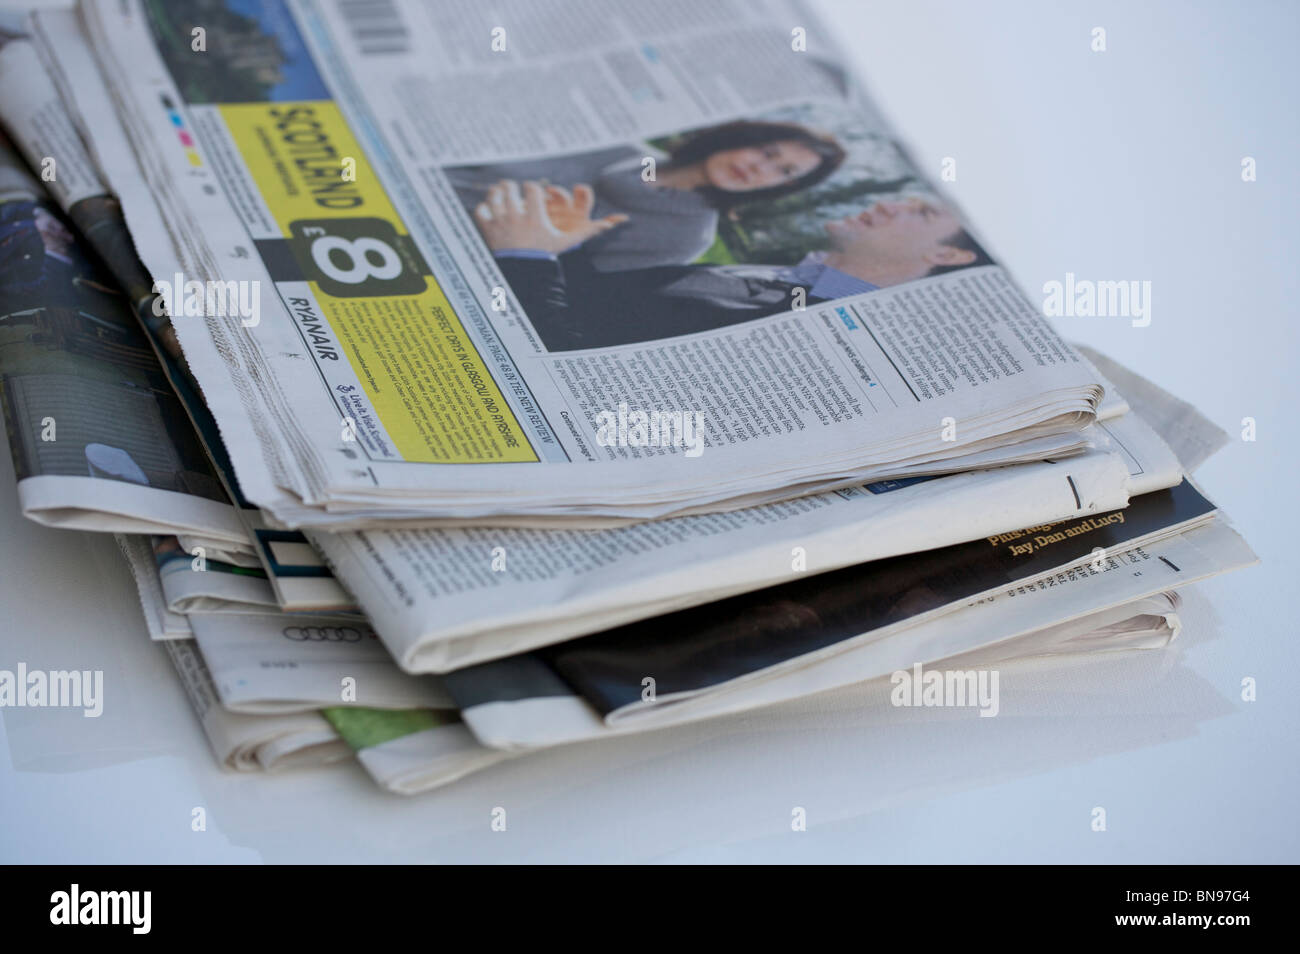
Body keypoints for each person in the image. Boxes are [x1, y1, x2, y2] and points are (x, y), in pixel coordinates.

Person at [476, 180, 991, 351]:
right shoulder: (780, 276)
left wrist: (528, 258)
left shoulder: (819, 335)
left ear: (947, 255)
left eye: (921, 212)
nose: (892, 204)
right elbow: (604, 323)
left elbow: (574, 371)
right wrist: (566, 247)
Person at [448, 120, 845, 271]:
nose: (762, 168)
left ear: (781, 188)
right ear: (743, 138)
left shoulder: (686, 238)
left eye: (784, 172)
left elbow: (567, 291)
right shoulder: (617, 144)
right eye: (766, 152)